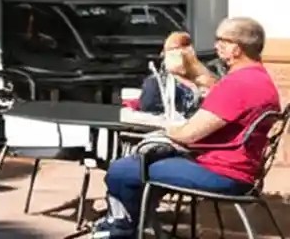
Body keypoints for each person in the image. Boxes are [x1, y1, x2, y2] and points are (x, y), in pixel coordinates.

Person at [92, 17, 282, 238]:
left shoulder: (238, 84)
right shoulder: (260, 79)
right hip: (240, 168)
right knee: (147, 164)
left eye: (221, 40)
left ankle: (121, 230)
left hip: (222, 173)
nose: (216, 45)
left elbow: (189, 135)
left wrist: (163, 127)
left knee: (122, 170)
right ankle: (137, 224)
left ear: (236, 48)